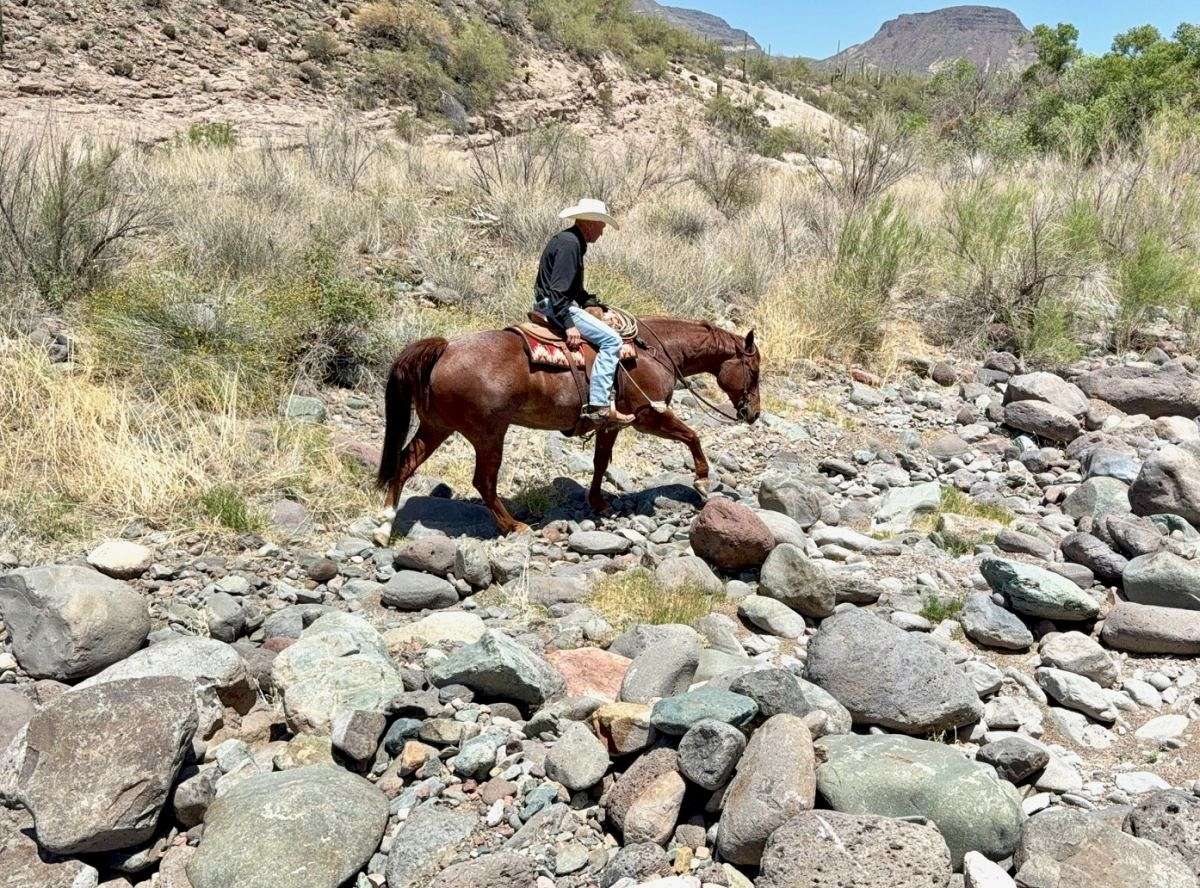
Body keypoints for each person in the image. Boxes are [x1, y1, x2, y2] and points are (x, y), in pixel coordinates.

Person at [533, 198, 636, 428]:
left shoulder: (571, 241)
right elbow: (559, 292)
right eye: (601, 226)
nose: (602, 233)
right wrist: (569, 323)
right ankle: (599, 405)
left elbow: (575, 290)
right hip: (555, 307)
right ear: (590, 223)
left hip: (552, 303)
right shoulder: (570, 244)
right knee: (612, 340)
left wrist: (596, 304)